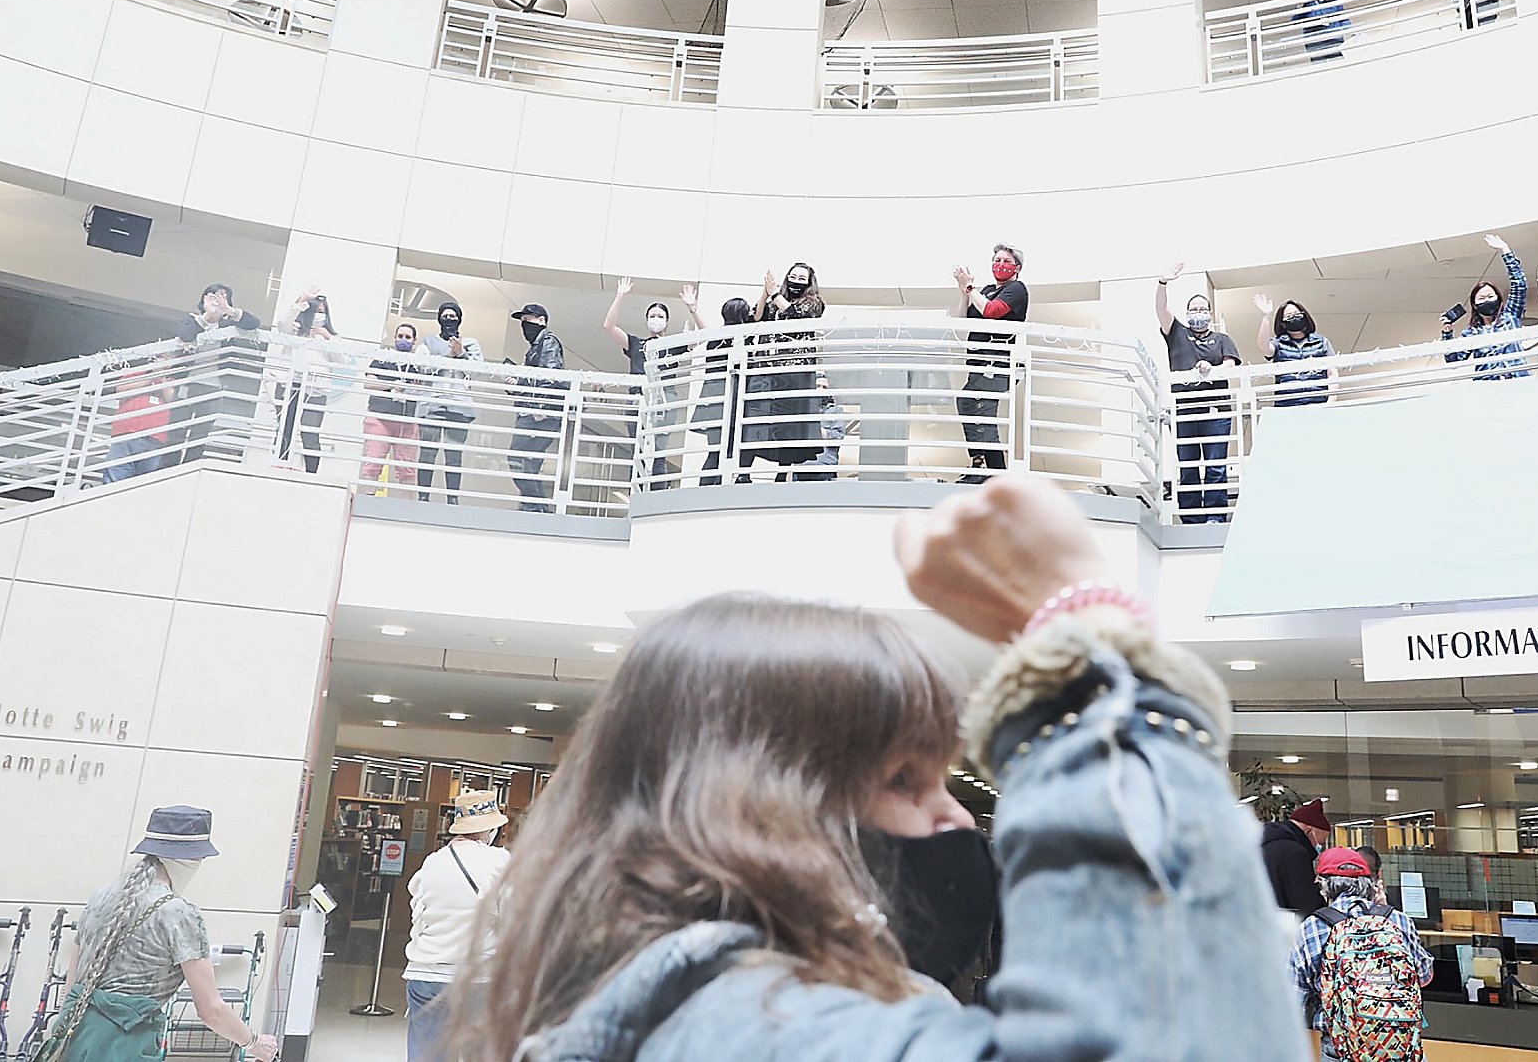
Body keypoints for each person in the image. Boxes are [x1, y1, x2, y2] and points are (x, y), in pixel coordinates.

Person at [454, 474, 1309, 1062]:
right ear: (752, 801)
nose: (960, 818)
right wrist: (1084, 652)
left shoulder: (685, 1005)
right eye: (905, 779)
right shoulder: (737, 1027)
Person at [39, 806, 279, 1062]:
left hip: (77, 1039)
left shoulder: (101, 897)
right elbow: (211, 1010)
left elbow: (72, 984)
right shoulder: (180, 914)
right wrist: (254, 1042)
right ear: (190, 860)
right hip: (125, 1045)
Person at [1290, 846, 1431, 1062]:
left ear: (1323, 885)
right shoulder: (1398, 920)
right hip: (1400, 1043)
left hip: (1342, 1047)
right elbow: (1423, 975)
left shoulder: (1312, 928)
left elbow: (1292, 1001)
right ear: (1370, 884)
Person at [405, 788, 514, 1062]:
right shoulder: (498, 861)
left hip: (425, 973)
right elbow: (513, 917)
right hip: (477, 976)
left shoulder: (432, 862)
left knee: (427, 1055)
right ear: (490, 829)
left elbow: (419, 914)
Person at [1156, 264, 1242, 524]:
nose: (1198, 313)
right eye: (1193, 309)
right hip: (1185, 410)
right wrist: (1162, 283)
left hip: (1216, 411)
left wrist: (1211, 368)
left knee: (1216, 466)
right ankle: (1191, 518)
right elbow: (1161, 311)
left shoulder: (1222, 338)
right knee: (1189, 465)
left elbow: (1230, 365)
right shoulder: (1177, 333)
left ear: (1210, 313)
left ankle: (1215, 516)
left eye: (1202, 309)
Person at [602, 278, 699, 486]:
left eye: (660, 316)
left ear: (667, 321)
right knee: (637, 449)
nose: (656, 319)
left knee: (658, 450)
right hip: (637, 400)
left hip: (664, 399)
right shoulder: (637, 344)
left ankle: (656, 496)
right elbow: (608, 326)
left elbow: (705, 337)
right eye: (652, 316)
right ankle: (637, 492)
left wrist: (692, 309)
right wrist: (620, 296)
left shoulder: (673, 344)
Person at [952, 244, 1029, 481]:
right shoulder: (984, 290)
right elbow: (962, 320)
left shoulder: (1016, 289)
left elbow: (992, 311)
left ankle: (989, 469)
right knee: (968, 403)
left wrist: (969, 287)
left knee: (982, 408)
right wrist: (964, 292)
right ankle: (985, 464)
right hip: (979, 363)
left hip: (998, 364)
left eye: (1006, 260)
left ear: (1017, 267)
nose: (1001, 264)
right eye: (997, 260)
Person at [743, 262, 826, 477]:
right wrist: (765, 292)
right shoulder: (773, 299)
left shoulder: (814, 303)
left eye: (801, 278)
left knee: (789, 423)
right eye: (793, 276)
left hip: (794, 372)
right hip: (766, 369)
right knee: (755, 419)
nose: (796, 281)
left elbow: (793, 315)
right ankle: (743, 473)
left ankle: (783, 473)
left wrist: (774, 295)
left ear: (809, 282)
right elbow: (756, 318)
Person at [169, 283, 263, 467]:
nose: (217, 299)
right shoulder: (192, 319)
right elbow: (186, 335)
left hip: (212, 386)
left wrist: (229, 310)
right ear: (203, 298)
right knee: (176, 430)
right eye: (212, 295)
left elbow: (254, 323)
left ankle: (189, 468)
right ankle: (167, 468)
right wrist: (206, 316)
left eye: (222, 296)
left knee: (200, 432)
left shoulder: (228, 324)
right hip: (187, 384)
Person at [418, 301, 483, 505]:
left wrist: (461, 353)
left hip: (459, 406)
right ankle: (422, 497)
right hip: (432, 405)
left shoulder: (471, 343)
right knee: (427, 452)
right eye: (445, 316)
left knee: (454, 454)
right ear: (439, 318)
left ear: (460, 319)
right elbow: (421, 368)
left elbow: (477, 370)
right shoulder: (427, 342)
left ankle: (452, 499)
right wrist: (447, 355)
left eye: (453, 317)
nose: (449, 320)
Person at [1443, 234, 1531, 379]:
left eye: (1490, 296)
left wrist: (1505, 250)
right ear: (1475, 305)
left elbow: (1520, 285)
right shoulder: (1471, 333)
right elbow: (1454, 360)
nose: (1487, 300)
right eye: (1482, 298)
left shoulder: (1510, 316)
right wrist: (1447, 334)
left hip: (1517, 381)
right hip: (1488, 387)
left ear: (1498, 299)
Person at [509, 303, 568, 513]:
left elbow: (550, 376)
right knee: (530, 464)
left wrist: (538, 404)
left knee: (517, 458)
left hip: (540, 414)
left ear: (541, 321)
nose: (525, 325)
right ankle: (536, 507)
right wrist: (516, 384)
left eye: (528, 320)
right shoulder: (535, 347)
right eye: (522, 321)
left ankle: (537, 506)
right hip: (539, 412)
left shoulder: (548, 342)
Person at [693, 296, 754, 487]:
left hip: (712, 399)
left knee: (715, 450)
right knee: (727, 450)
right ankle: (715, 490)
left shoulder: (716, 339)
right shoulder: (741, 340)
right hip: (731, 399)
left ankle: (705, 490)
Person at [275, 290, 338, 473]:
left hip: (316, 390)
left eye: (322, 311)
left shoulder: (331, 337)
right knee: (284, 429)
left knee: (310, 433)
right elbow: (282, 324)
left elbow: (341, 359)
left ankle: (311, 474)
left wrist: (328, 337)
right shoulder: (294, 330)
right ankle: (280, 465)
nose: (319, 314)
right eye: (316, 310)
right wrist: (301, 300)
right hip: (288, 384)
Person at [362, 323, 428, 496]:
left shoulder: (418, 364)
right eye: (400, 336)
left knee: (407, 468)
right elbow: (369, 383)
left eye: (407, 337)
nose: (403, 340)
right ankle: (367, 501)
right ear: (394, 339)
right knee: (372, 463)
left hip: (407, 422)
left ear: (414, 341)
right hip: (380, 417)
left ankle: (404, 509)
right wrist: (391, 385)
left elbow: (425, 387)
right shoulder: (383, 358)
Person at [1254, 296, 1335, 406]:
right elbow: (1264, 347)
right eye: (1289, 316)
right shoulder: (1278, 344)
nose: (1294, 318)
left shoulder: (1321, 342)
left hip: (1318, 402)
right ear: (1282, 323)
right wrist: (1266, 316)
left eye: (1297, 314)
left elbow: (1332, 373)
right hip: (1287, 404)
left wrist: (1331, 400)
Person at [1262, 797, 1333, 916]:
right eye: (1321, 842)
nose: (1319, 847)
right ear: (1309, 831)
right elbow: (1305, 902)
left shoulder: (1263, 843)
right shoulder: (1294, 853)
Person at [102, 366, 169, 484]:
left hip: (155, 438)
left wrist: (162, 377)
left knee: (143, 485)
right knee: (115, 480)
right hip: (126, 433)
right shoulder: (138, 371)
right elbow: (120, 389)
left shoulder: (172, 377)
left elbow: (172, 398)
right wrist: (150, 378)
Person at [785, 374, 852, 482]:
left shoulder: (836, 411)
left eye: (825, 387)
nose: (820, 389)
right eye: (818, 386)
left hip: (824, 467)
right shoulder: (802, 409)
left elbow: (838, 436)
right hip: (801, 467)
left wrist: (816, 431)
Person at [1293, 0, 1349, 64]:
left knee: (1337, 63)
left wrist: (1350, 32)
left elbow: (1343, 18)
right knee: (1318, 64)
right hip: (1314, 39)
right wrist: (1301, 1)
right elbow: (1295, 20)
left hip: (1333, 37)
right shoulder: (1306, 3)